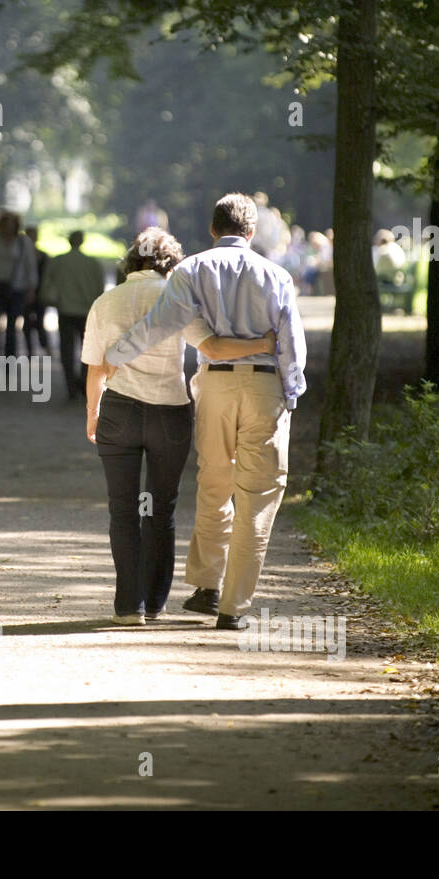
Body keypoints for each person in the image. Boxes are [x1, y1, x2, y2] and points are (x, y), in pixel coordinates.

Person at [104, 193, 307, 630]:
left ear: (213, 230)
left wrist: (116, 353)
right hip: (263, 386)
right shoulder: (277, 276)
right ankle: (234, 607)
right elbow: (291, 344)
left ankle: (206, 588)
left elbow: (160, 322)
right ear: (251, 233)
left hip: (214, 385)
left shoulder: (192, 269)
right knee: (257, 496)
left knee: (214, 482)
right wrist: (289, 395)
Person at [40, 230, 104, 399]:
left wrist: (49, 298)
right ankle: (84, 381)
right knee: (88, 349)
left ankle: (70, 385)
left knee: (66, 348)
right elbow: (100, 288)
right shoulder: (92, 263)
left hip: (65, 309)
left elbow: (47, 283)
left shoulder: (59, 261)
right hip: (86, 311)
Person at [0, 210, 37, 358]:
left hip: (16, 288)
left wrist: (31, 288)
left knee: (12, 327)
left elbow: (30, 266)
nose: (8, 227)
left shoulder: (23, 243)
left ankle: (10, 358)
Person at [23, 225, 51, 356]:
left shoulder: (43, 256)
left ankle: (44, 345)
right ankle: (30, 351)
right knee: (27, 323)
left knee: (40, 321)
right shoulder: (21, 257)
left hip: (41, 292)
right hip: (26, 291)